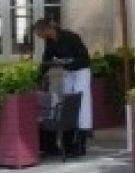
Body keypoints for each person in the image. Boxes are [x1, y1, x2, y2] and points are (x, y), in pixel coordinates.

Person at [33, 18, 92, 157]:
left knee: (82, 104)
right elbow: (46, 59)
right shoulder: (50, 41)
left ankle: (81, 144)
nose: (39, 37)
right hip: (68, 72)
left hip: (81, 71)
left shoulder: (71, 37)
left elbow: (85, 59)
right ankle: (68, 143)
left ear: (47, 29)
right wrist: (38, 76)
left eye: (39, 34)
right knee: (67, 104)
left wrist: (66, 62)